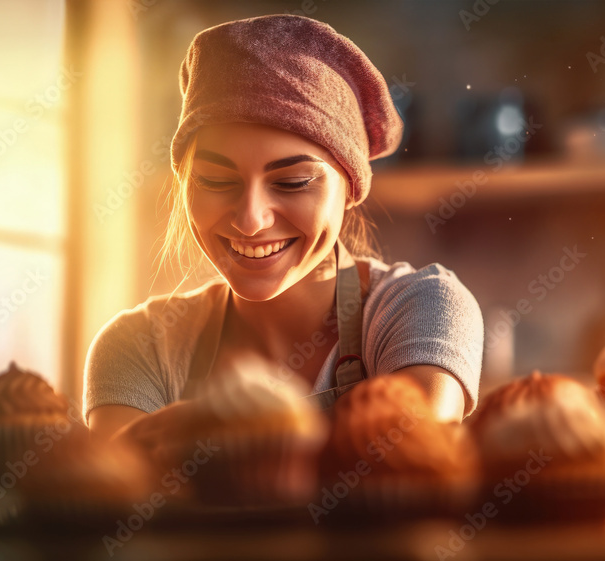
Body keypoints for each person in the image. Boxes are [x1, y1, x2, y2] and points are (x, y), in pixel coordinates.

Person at [83, 15, 484, 441]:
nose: (250, 219)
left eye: (292, 183)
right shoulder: (138, 346)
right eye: (216, 181)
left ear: (349, 189)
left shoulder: (422, 308)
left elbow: (410, 457)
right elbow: (116, 492)